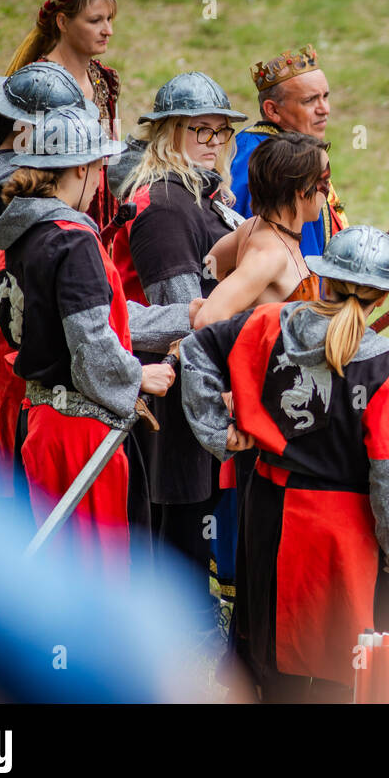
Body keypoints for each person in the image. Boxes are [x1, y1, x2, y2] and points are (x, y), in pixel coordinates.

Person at [179, 225, 389, 702]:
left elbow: (196, 349)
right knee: (344, 672)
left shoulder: (268, 323)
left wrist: (218, 429)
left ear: (323, 280)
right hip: (342, 537)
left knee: (267, 664)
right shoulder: (388, 370)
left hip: (268, 512)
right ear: (380, 297)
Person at [0, 105, 186, 580]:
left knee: (56, 578)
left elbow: (86, 321)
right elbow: (92, 344)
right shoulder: (73, 241)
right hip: (81, 433)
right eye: (99, 168)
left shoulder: (22, 235)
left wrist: (182, 316)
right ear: (81, 168)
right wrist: (140, 375)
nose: (101, 179)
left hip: (41, 424)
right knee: (95, 581)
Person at [108, 72, 247, 631]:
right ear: (169, 133)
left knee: (195, 507)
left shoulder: (200, 196)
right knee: (177, 512)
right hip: (169, 386)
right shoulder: (165, 203)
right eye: (200, 130)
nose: (213, 141)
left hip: (191, 379)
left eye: (221, 131)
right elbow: (187, 315)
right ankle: (178, 623)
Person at [0, 63, 99, 510]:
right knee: (14, 497)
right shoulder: (6, 187)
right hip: (13, 344)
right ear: (27, 130)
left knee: (3, 487)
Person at [6, 0, 124, 240]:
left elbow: (112, 153)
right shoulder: (39, 83)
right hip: (52, 221)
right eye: (95, 21)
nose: (108, 31)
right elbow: (19, 160)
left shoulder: (104, 79)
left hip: (99, 212)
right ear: (63, 22)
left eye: (109, 20)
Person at [193, 132, 330, 326]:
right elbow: (207, 319)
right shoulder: (269, 255)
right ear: (302, 187)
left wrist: (244, 306)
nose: (328, 190)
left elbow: (210, 266)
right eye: (324, 181)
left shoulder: (254, 226)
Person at [229, 44, 346, 255]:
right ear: (272, 110)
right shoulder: (263, 160)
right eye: (310, 100)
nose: (324, 109)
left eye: (325, 96)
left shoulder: (298, 152)